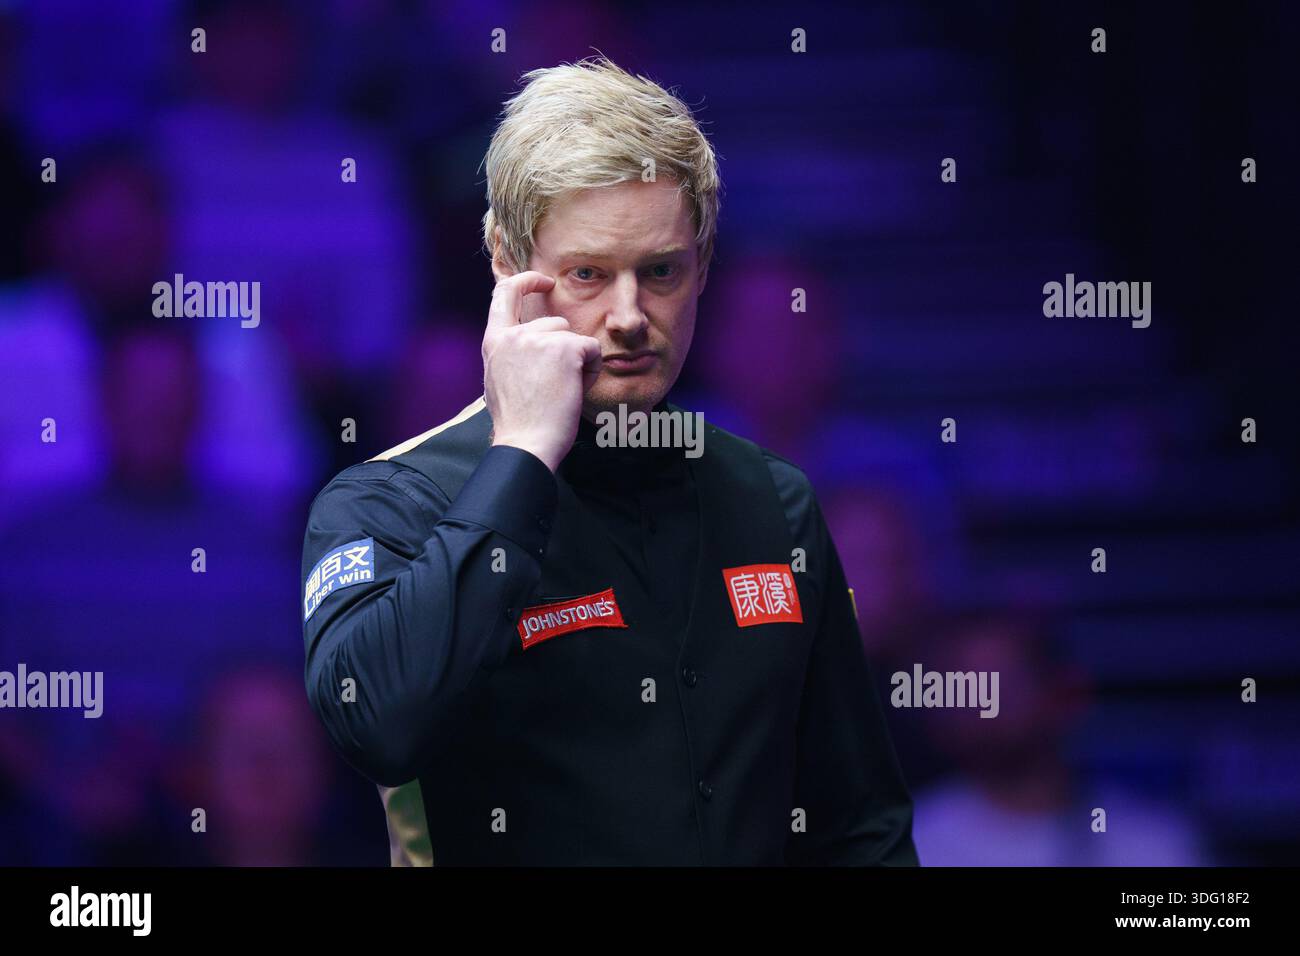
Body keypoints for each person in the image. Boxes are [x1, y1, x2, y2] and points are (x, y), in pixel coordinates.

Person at [301, 56, 917, 866]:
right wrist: (522, 452)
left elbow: (858, 825)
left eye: (660, 272)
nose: (628, 317)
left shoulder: (777, 501)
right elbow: (377, 722)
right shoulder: (386, 503)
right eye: (587, 274)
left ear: (703, 267)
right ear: (504, 260)